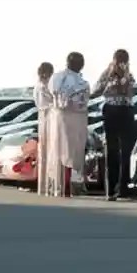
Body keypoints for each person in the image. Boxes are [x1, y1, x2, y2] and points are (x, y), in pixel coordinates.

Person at [91, 49, 136, 201]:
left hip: (114, 111)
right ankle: (120, 187)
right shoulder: (122, 73)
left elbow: (96, 90)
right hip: (124, 111)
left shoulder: (115, 74)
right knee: (122, 150)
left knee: (114, 150)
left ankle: (114, 189)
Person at [47, 53, 90, 197]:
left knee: (59, 150)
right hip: (76, 119)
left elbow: (52, 94)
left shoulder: (56, 78)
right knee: (72, 152)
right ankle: (68, 184)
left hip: (59, 117)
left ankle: (59, 185)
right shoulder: (82, 83)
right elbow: (83, 101)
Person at [33, 62, 57, 196]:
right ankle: (51, 186)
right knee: (51, 153)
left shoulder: (37, 86)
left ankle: (41, 186)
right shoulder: (48, 86)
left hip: (41, 117)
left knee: (43, 154)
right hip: (51, 116)